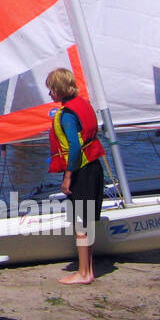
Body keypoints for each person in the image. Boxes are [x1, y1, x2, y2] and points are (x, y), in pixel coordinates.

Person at [46, 68, 106, 287]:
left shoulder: (68, 114)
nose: (50, 94)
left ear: (60, 89)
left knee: (81, 223)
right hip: (94, 168)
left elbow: (74, 147)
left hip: (81, 172)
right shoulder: (83, 104)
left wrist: (67, 177)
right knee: (87, 221)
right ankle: (87, 269)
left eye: (51, 89)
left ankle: (83, 273)